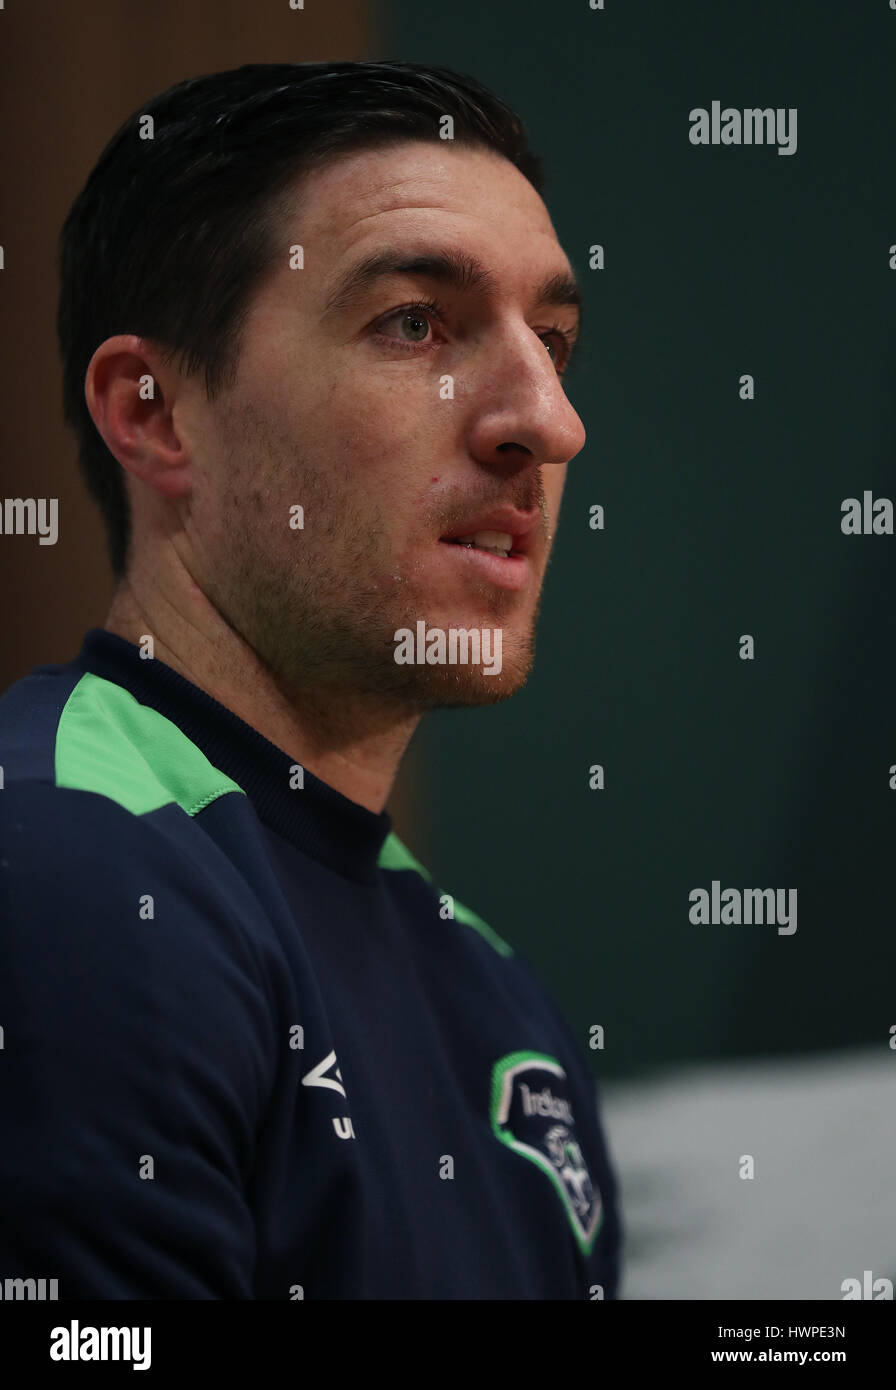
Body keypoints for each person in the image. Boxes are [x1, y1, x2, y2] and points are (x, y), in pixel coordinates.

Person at [0, 60, 622, 1299]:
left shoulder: (504, 1006)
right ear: (156, 410)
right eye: (414, 322)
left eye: (552, 343)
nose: (546, 422)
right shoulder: (62, 865)